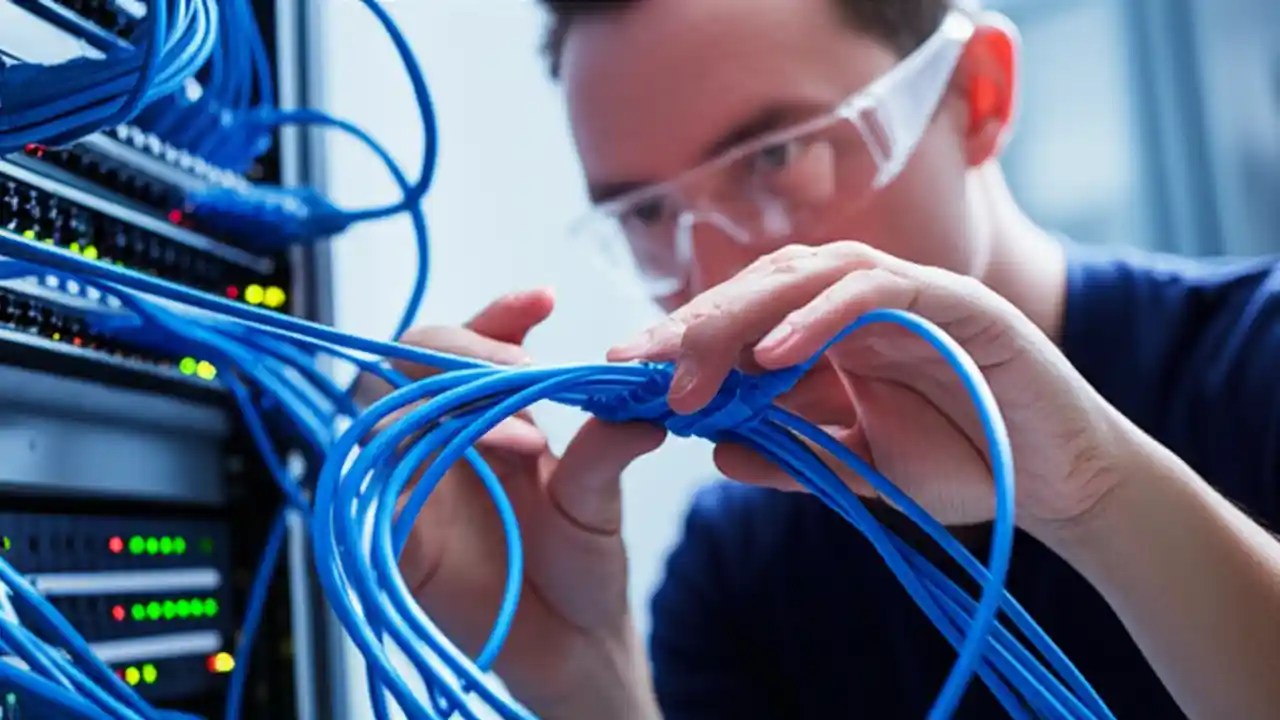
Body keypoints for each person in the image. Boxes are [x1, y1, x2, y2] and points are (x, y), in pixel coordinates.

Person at [387, 1, 1280, 717]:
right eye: (649, 217)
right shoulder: (738, 573)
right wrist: (586, 683)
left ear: (978, 93)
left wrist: (1091, 494)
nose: (712, 278)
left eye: (779, 156)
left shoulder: (1259, 362)